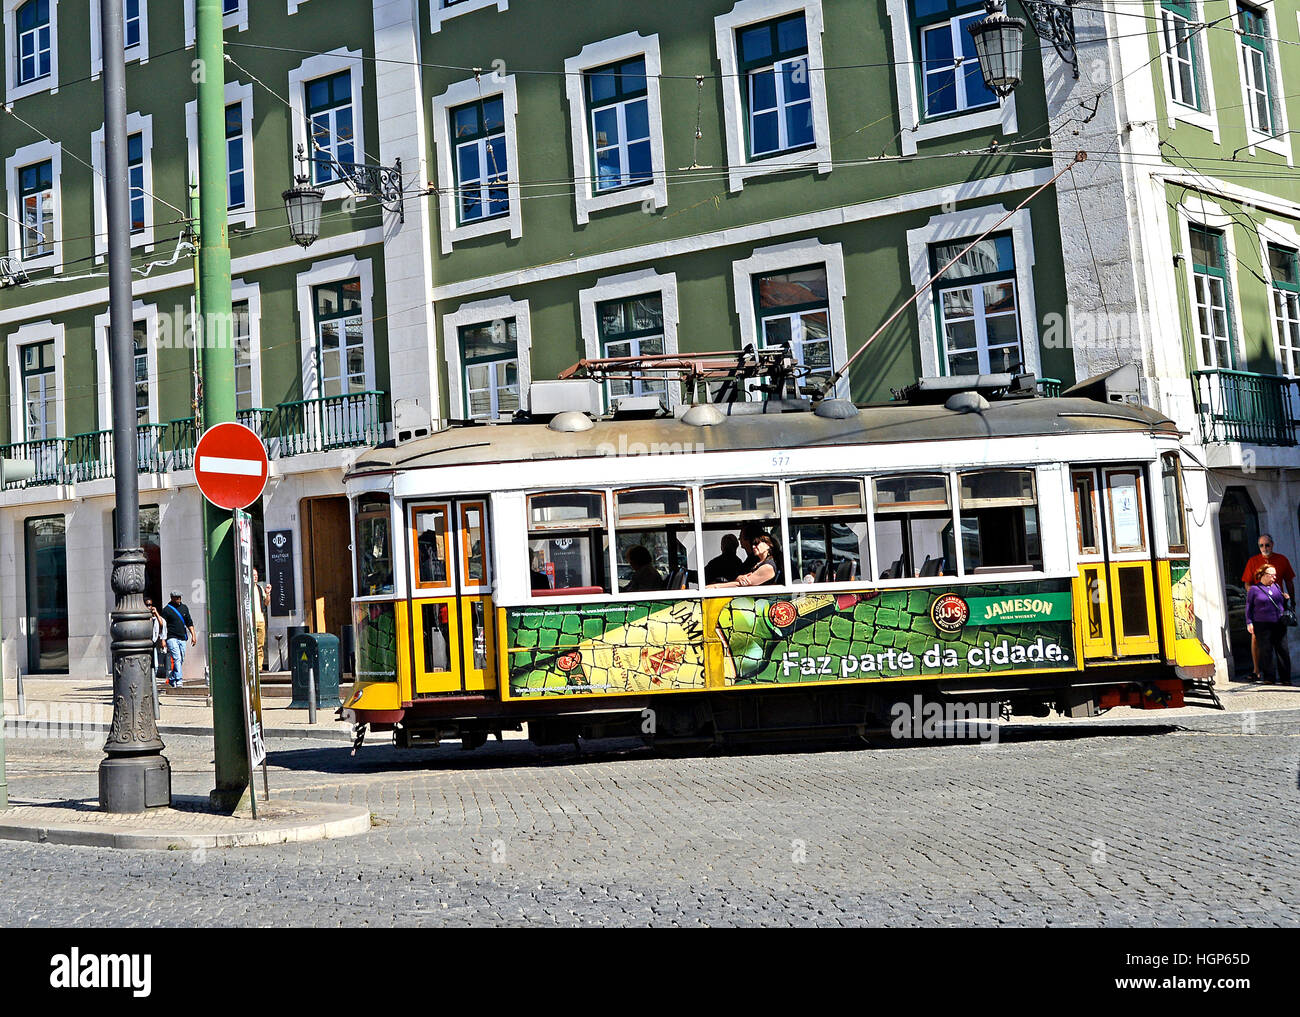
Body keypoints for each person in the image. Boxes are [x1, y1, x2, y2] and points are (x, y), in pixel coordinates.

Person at [1241, 534, 1296, 679]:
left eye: (1267, 545)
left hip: (1277, 611)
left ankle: (1284, 677)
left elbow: (1289, 581)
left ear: (1272, 544)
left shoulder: (1282, 560)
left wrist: (1292, 602)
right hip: (1260, 614)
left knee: (1281, 647)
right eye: (1261, 545)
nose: (1264, 548)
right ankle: (1257, 670)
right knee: (1259, 642)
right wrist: (1256, 594)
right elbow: (1247, 583)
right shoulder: (1253, 561)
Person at [1246, 564, 1293, 686]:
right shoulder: (1254, 590)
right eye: (1272, 575)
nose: (1275, 577)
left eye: (1275, 575)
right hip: (1262, 624)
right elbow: (1248, 607)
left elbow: (1281, 602)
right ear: (1263, 575)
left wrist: (1286, 599)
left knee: (1283, 650)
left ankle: (1285, 678)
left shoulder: (1276, 586)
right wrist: (1249, 622)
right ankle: (1269, 677)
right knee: (1266, 651)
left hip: (1279, 623)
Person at [708, 533, 783, 588]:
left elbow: (744, 583)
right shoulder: (757, 562)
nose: (754, 547)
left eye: (757, 544)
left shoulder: (768, 566)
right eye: (753, 544)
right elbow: (742, 579)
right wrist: (739, 577)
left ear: (768, 545)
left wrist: (715, 587)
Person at [162, 591, 197, 688]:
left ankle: (172, 678)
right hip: (171, 637)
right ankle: (179, 680)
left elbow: (189, 622)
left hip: (182, 637)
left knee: (181, 658)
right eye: (176, 597)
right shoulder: (166, 610)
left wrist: (193, 635)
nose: (178, 599)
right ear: (172, 598)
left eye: (179, 597)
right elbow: (163, 626)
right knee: (177, 658)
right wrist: (163, 639)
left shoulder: (184, 608)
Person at [252, 567, 272, 673]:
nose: (255, 577)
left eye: (256, 575)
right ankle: (252, 667)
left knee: (260, 644)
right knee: (251, 645)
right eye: (253, 575)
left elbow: (266, 603)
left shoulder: (259, 588)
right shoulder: (247, 589)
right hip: (251, 621)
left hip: (260, 620)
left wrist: (268, 593)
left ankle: (259, 667)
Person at [144, 598, 167, 687]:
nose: (149, 607)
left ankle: (152, 682)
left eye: (150, 605)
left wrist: (156, 613)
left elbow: (161, 624)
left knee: (156, 666)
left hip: (154, 644)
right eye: (147, 605)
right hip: (146, 644)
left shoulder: (157, 619)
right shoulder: (144, 618)